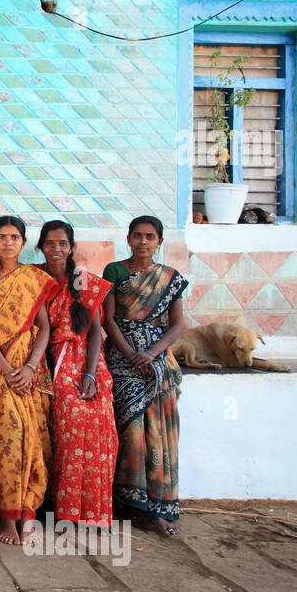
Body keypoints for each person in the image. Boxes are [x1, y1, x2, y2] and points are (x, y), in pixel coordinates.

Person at [0, 216, 57, 544]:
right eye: (2, 237)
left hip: (28, 366)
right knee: (10, 427)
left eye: (14, 237)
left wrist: (31, 367)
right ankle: (8, 516)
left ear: (23, 243)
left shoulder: (33, 277)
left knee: (36, 431)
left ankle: (30, 512)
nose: (8, 243)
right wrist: (6, 368)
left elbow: (44, 327)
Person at [103, 215, 188, 538]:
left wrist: (151, 355)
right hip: (121, 357)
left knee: (159, 434)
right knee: (131, 430)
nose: (143, 242)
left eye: (150, 237)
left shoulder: (170, 279)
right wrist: (130, 354)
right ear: (128, 239)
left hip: (157, 360)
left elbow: (177, 324)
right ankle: (125, 503)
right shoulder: (115, 271)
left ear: (159, 242)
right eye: (137, 236)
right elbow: (108, 319)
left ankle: (155, 508)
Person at [36, 221, 118, 528]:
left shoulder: (83, 282)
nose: (56, 249)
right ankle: (65, 509)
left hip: (87, 362)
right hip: (51, 357)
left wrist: (90, 374)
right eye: (50, 243)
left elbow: (96, 332)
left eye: (62, 244)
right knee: (71, 413)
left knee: (100, 419)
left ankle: (93, 511)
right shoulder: (33, 277)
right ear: (41, 247)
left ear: (71, 248)